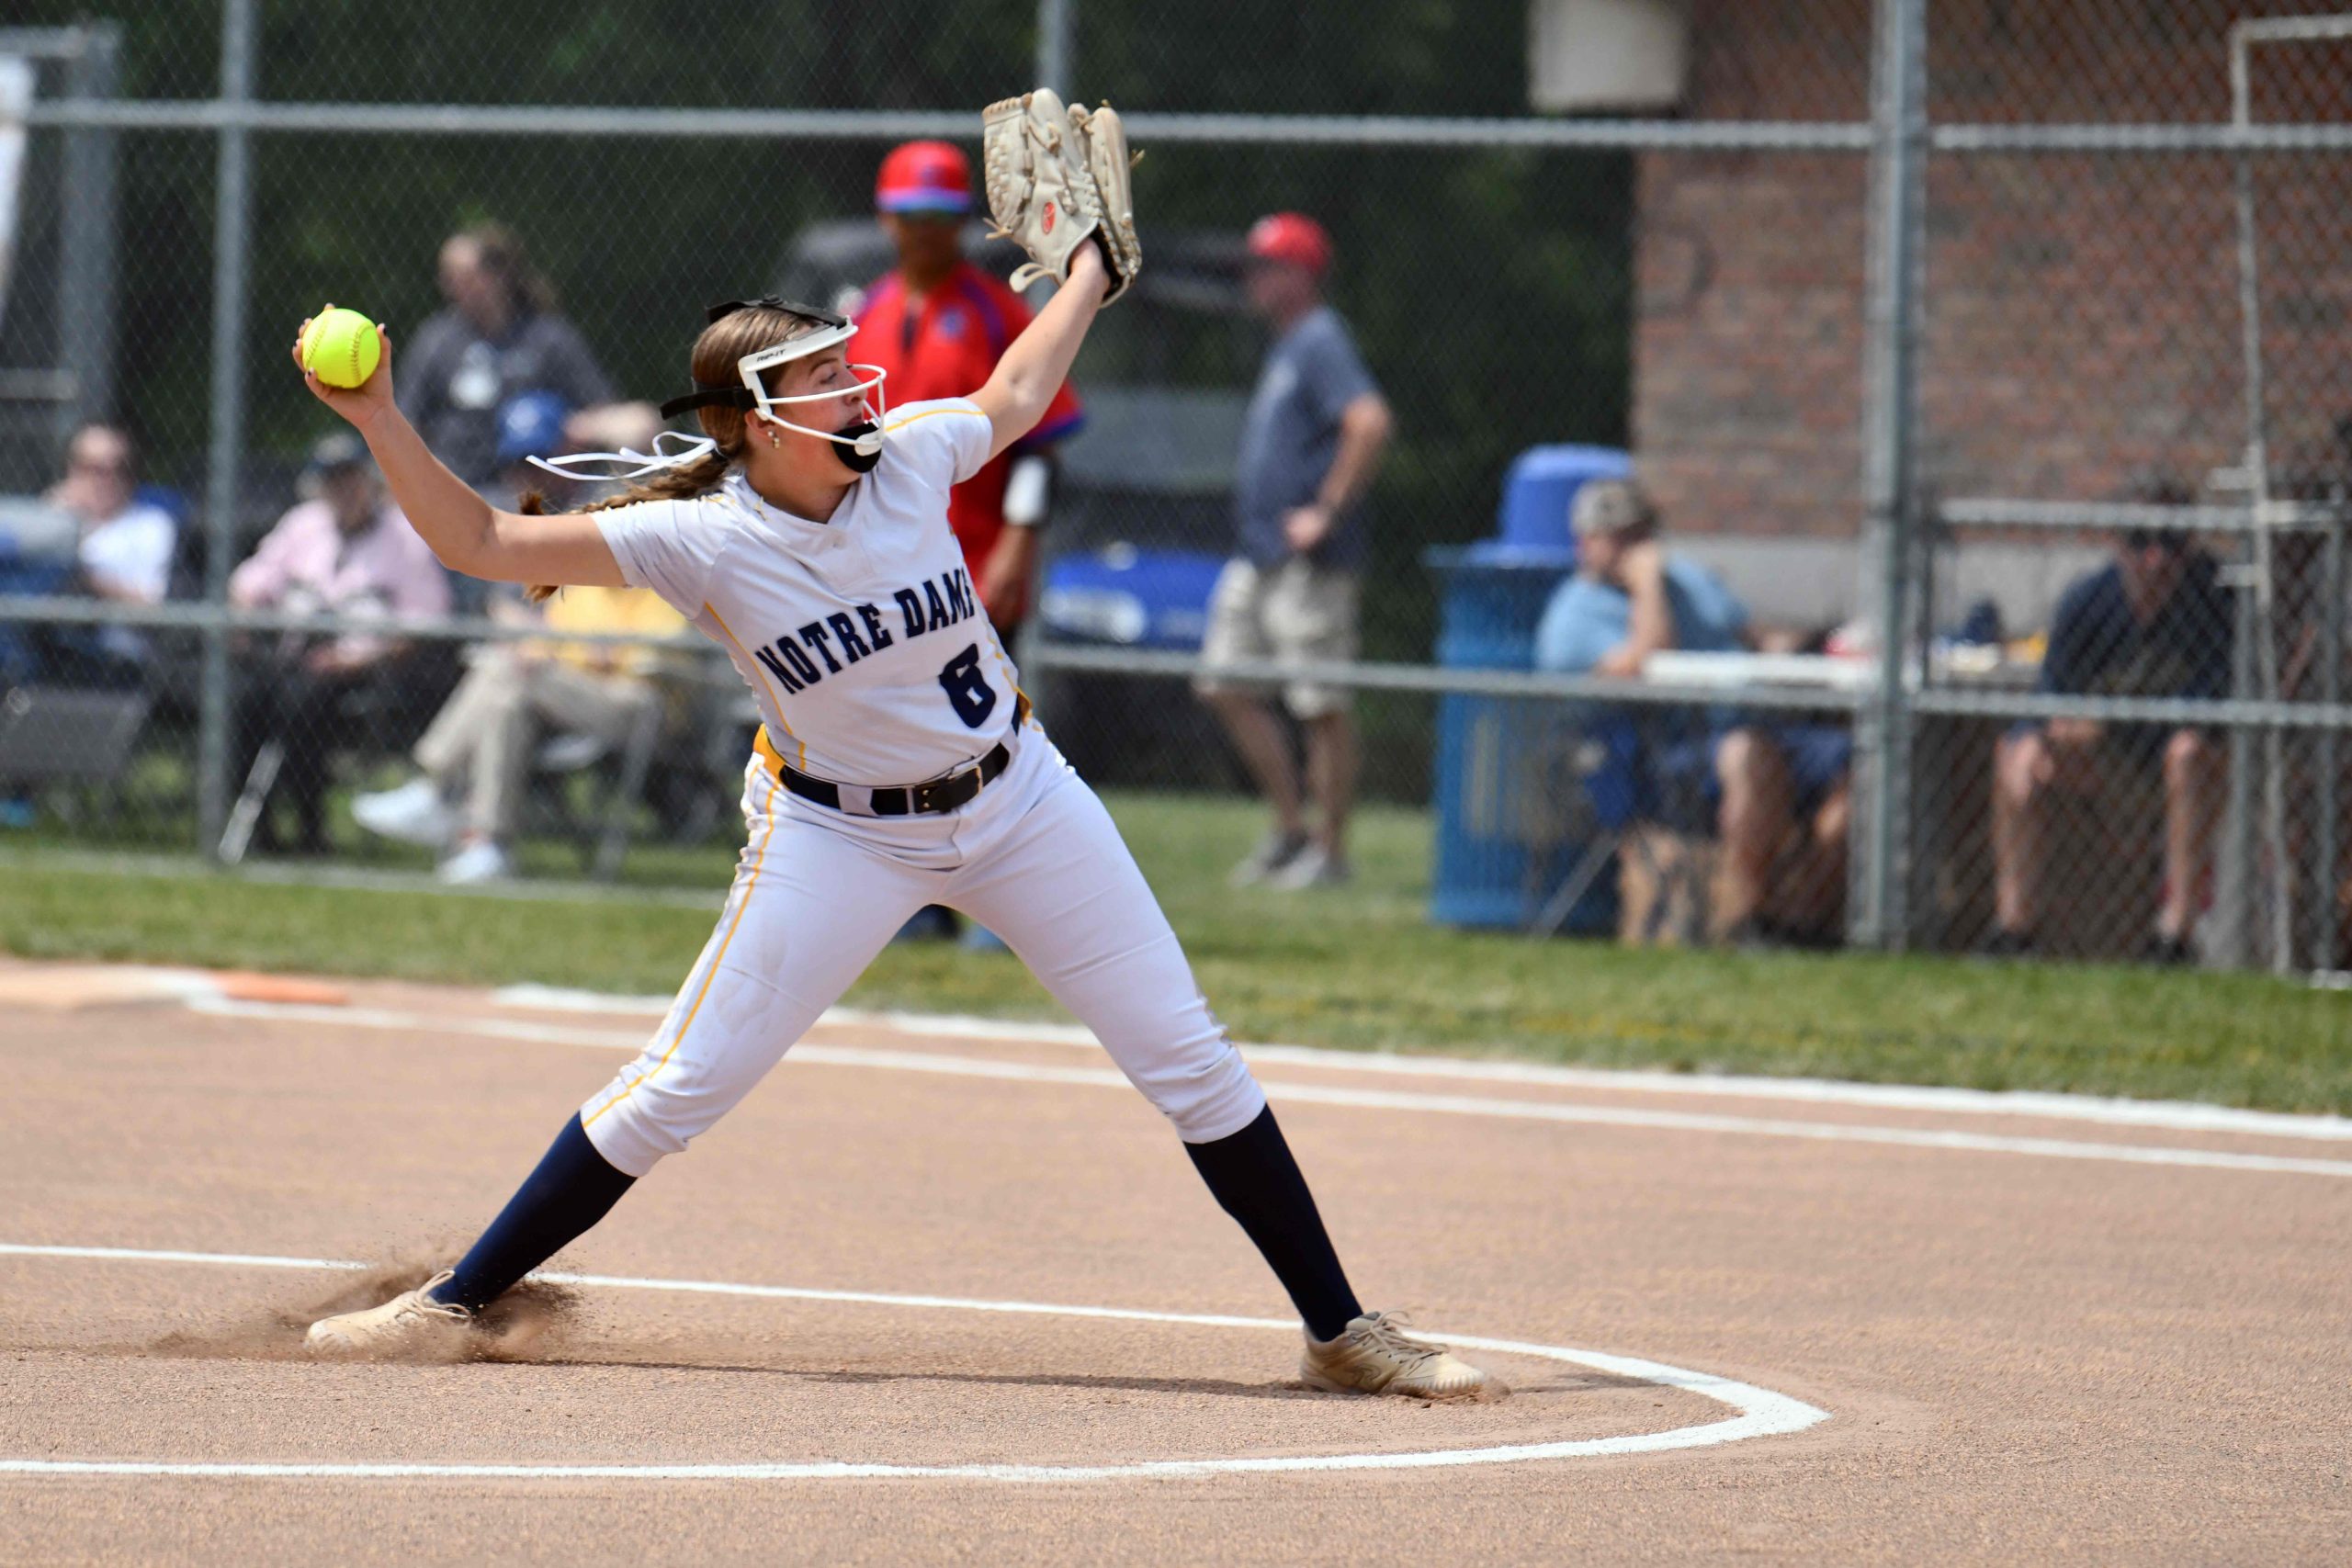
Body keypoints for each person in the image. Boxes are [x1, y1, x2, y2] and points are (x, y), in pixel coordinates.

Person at [290, 102, 1492, 1401]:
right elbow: (481, 543)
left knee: (1191, 1058)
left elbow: (1020, 389)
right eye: (816, 377)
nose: (855, 381)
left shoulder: (909, 458)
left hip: (1021, 798)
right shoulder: (705, 537)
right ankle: (457, 1298)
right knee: (677, 1086)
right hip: (836, 829)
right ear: (752, 420)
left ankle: (1341, 1328)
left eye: (843, 362)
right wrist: (377, 416)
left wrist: (1089, 268)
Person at [850, 141, 1086, 948]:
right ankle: (918, 896)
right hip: (884, 568)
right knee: (895, 731)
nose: (926, 234)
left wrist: (1017, 548)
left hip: (978, 558)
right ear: (887, 220)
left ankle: (1002, 904)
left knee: (990, 729)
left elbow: (1040, 447)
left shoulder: (995, 310)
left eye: (942, 219)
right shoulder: (862, 312)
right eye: (913, 218)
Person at [352, 397, 690, 883]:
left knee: (509, 669)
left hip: (643, 706)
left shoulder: (666, 556)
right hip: (572, 688)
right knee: (507, 693)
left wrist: (569, 652)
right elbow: (565, 635)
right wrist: (561, 650)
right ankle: (487, 844)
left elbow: (638, 658)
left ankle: (435, 788)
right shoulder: (582, 554)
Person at [1534, 479, 1852, 944]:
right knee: (1747, 753)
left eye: (1641, 535)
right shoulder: (1574, 616)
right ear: (1585, 544)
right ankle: (1750, 920)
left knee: (1860, 763)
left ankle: (1803, 921)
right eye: (1616, 537)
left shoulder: (1690, 581)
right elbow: (1648, 661)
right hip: (1665, 756)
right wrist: (1646, 584)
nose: (1634, 548)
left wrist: (1824, 643)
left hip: (1761, 721)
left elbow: (1755, 638)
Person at [1197, 213, 1393, 891]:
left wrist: (1328, 511)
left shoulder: (1319, 338)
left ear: (1301, 274)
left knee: (1319, 703)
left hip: (1309, 562)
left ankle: (1330, 853)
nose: (1253, 279)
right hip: (1260, 553)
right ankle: (1291, 830)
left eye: (1266, 266)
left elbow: (1369, 421)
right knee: (1224, 682)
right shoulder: (1288, 344)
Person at [1988, 526, 2232, 964]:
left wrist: (2104, 721)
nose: (2154, 560)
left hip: (2194, 773)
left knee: (2187, 752)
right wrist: (2042, 734)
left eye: (2171, 544)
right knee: (2017, 754)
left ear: (2190, 548)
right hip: (2113, 763)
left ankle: (2173, 940)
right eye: (2140, 542)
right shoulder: (2090, 599)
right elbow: (2047, 696)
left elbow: (2215, 711)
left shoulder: (2216, 599)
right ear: (2118, 546)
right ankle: (2015, 931)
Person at [226, 433, 450, 855]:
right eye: (331, 481)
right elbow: (249, 584)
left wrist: (357, 659)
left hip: (367, 668)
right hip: (291, 654)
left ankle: (311, 827)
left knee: (303, 703)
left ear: (370, 481)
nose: (342, 491)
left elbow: (425, 624)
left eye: (350, 479)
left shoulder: (405, 537)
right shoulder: (303, 524)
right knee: (246, 699)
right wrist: (246, 626)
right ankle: (261, 829)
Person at [396, 223, 617, 489]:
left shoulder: (548, 337)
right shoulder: (435, 341)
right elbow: (407, 423)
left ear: (499, 275)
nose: (453, 287)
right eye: (448, 278)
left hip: (542, 487)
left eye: (465, 276)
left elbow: (599, 408)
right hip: (460, 489)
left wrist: (570, 432)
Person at [43, 422, 177, 685]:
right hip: (43, 646)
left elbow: (155, 607)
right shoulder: (50, 518)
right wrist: (57, 518)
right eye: (92, 468)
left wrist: (92, 583)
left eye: (119, 468)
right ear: (71, 470)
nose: (105, 479)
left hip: (115, 657)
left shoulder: (151, 526)